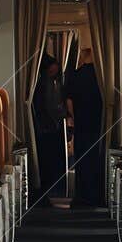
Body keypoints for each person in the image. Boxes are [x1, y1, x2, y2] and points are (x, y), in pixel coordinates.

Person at [65, 47, 105, 207]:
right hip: (99, 122)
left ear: (83, 56)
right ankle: (96, 195)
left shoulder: (75, 75)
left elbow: (69, 101)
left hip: (82, 122)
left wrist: (74, 118)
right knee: (96, 158)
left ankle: (82, 195)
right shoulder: (103, 76)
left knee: (82, 158)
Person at [31, 55, 67, 205]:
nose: (54, 73)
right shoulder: (41, 85)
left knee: (50, 162)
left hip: (51, 125)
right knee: (46, 161)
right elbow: (47, 106)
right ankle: (44, 193)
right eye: (52, 71)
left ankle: (47, 191)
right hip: (45, 127)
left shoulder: (53, 82)